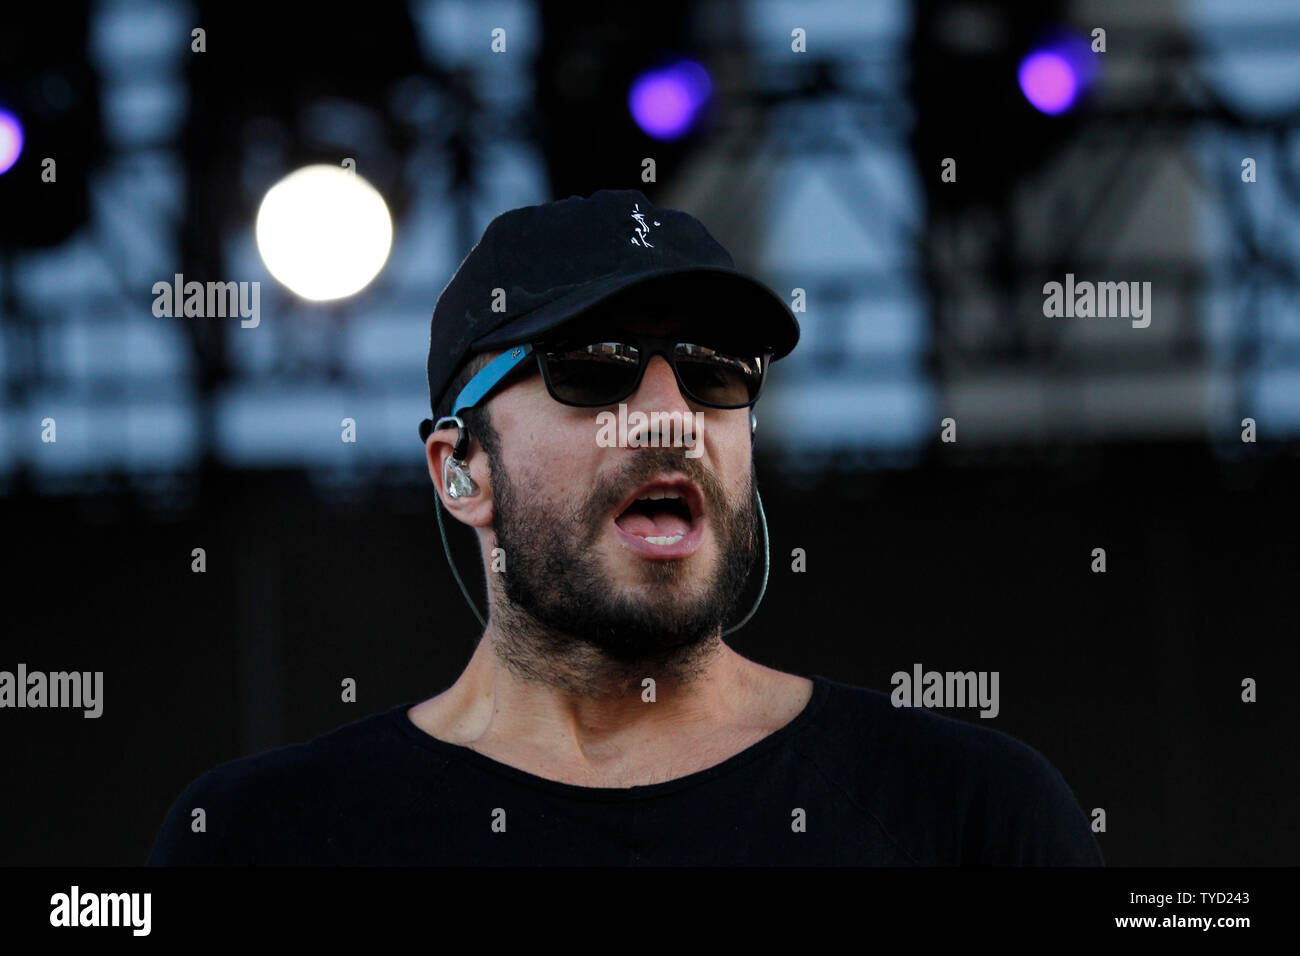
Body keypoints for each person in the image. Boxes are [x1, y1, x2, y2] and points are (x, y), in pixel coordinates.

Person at [147, 188, 1103, 865]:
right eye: (594, 367)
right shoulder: (264, 836)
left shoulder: (968, 812)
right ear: (461, 467)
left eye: (714, 370)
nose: (668, 415)